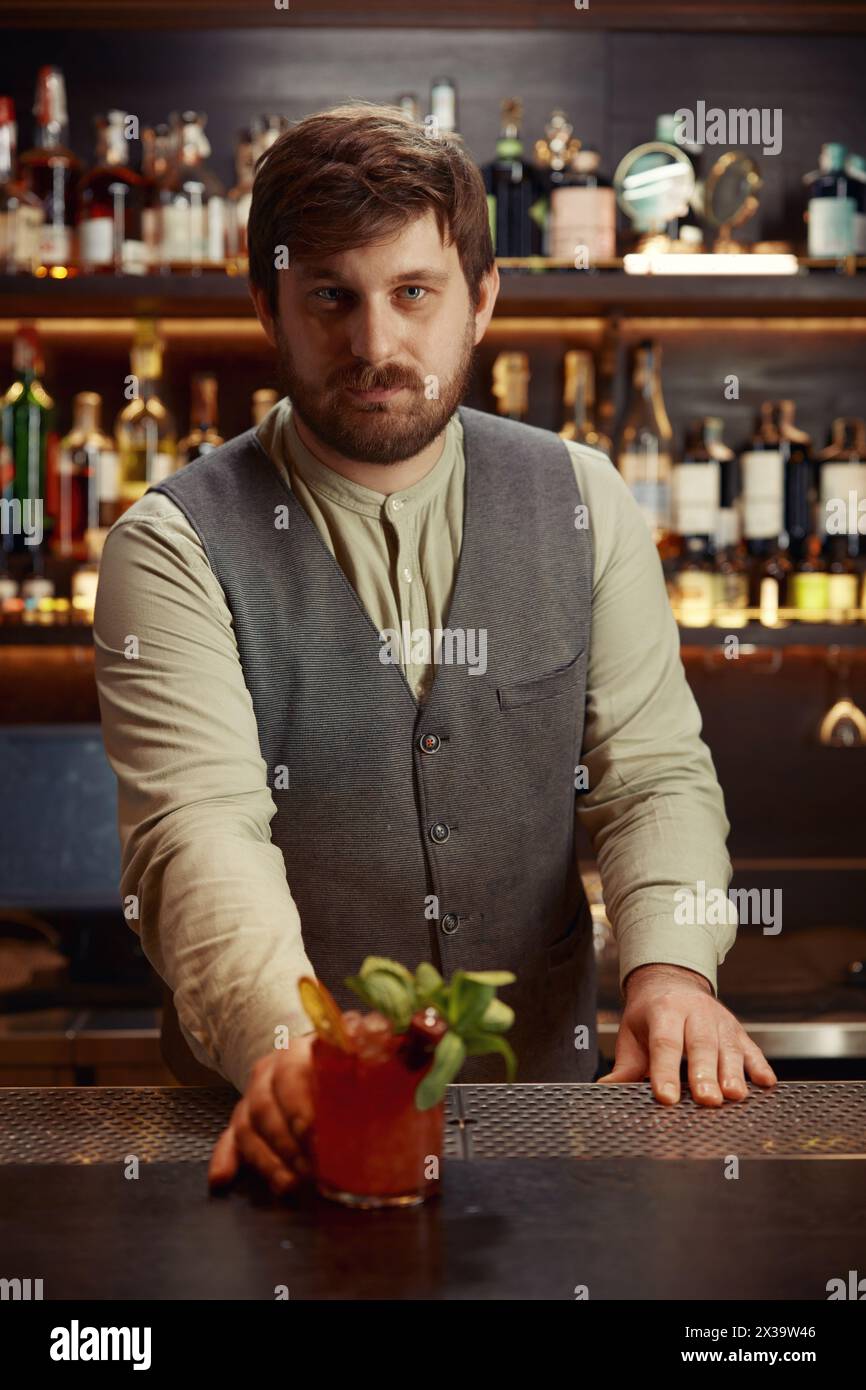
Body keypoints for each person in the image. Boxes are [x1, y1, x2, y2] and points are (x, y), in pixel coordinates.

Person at [94, 103, 776, 1199]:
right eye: (331, 297)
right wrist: (289, 1047)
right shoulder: (171, 544)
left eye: (413, 293)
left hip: (548, 1126)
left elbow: (651, 776)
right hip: (284, 1135)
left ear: (481, 301)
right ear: (266, 304)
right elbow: (199, 831)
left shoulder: (582, 500)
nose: (374, 343)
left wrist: (669, 969)